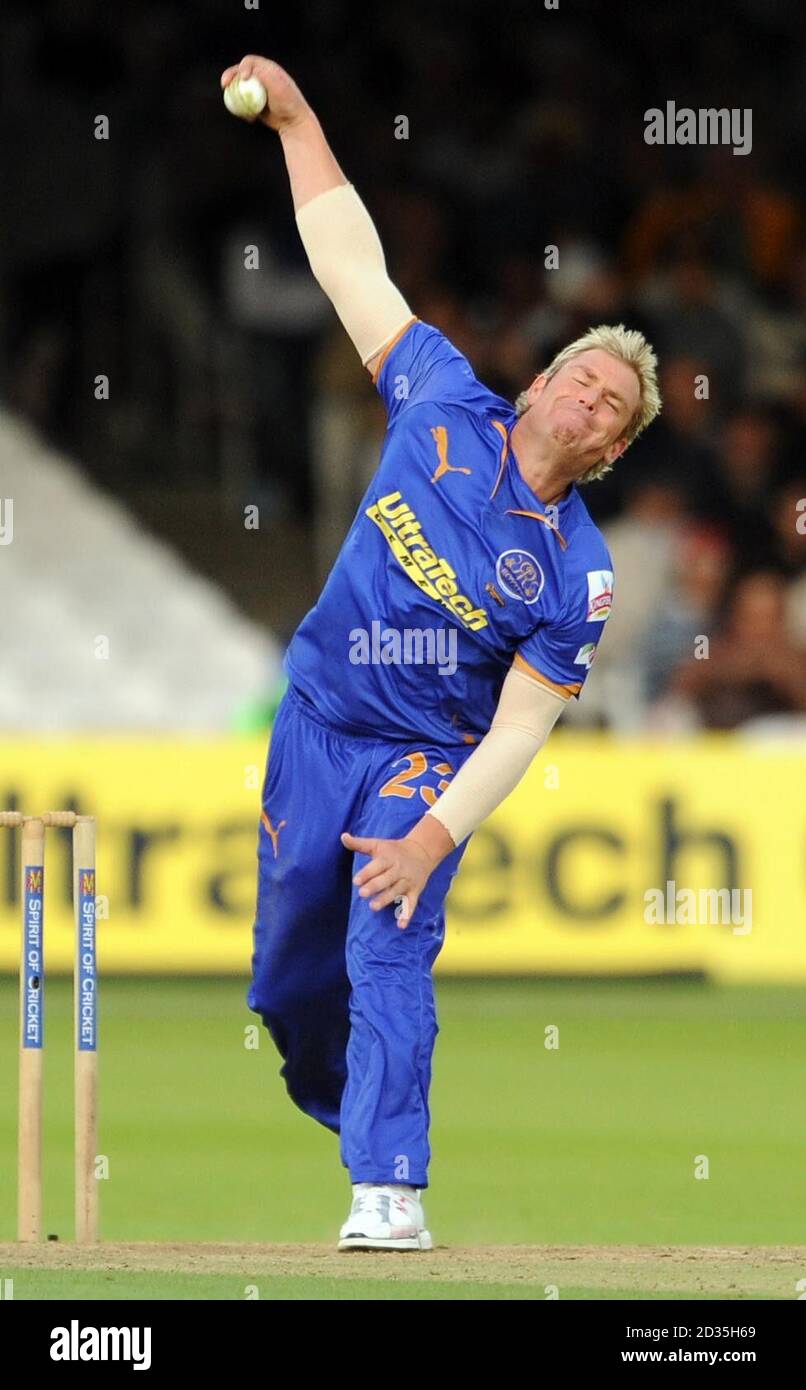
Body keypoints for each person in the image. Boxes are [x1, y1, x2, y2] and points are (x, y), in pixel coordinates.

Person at [221, 54, 662, 1251]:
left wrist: (434, 832)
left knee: (390, 936)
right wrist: (300, 122)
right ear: (537, 382)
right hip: (315, 724)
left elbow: (520, 726)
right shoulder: (437, 399)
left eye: (609, 406)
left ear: (610, 450)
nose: (586, 398)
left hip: (425, 754)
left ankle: (388, 1186)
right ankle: (345, 1094)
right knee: (287, 985)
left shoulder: (577, 571)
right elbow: (347, 263)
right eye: (580, 375)